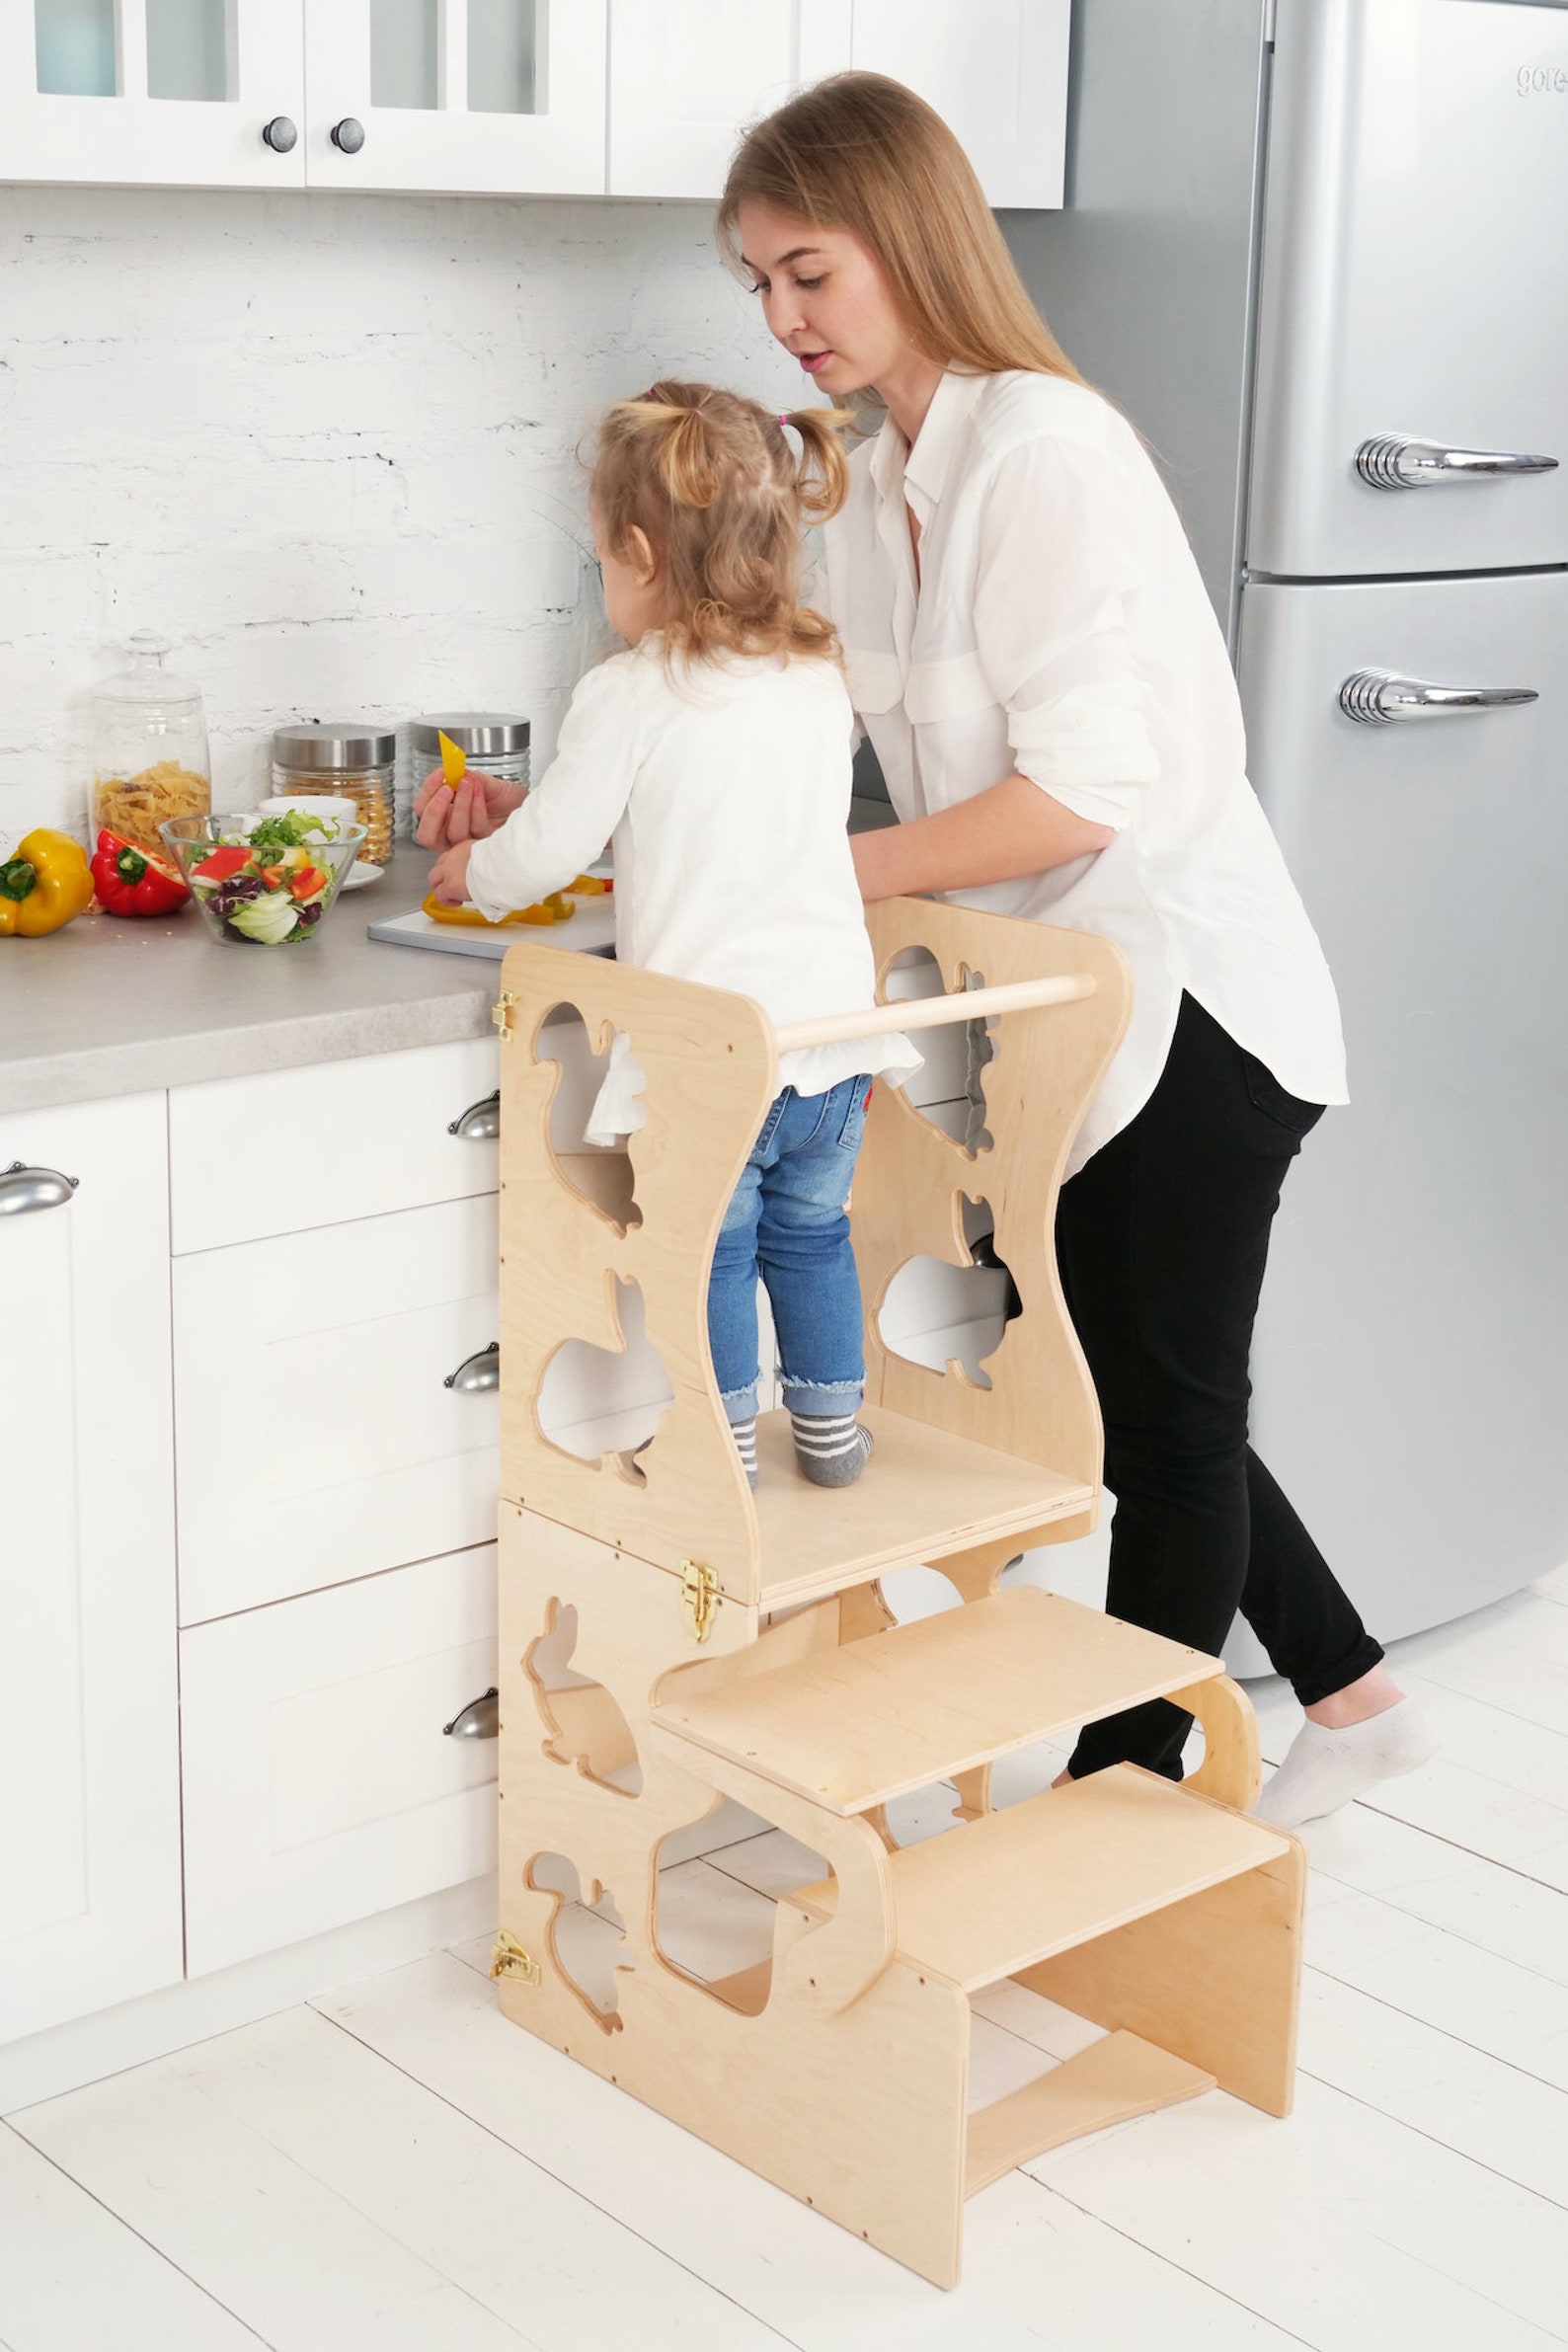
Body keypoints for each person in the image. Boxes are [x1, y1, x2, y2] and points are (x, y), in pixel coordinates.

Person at [718, 73, 1437, 1829]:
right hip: (1055, 1019)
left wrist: (828, 879)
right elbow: (855, 744)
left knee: (1161, 1424)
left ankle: (1124, 1811)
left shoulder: (1039, 452)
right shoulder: (884, 477)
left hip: (1185, 1005)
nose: (780, 318)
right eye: (756, 285)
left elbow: (1077, 801)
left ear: (902, 238)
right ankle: (1350, 1700)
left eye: (805, 272)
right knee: (1130, 1387)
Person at [419, 381, 918, 1491]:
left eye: (600, 559)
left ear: (639, 552)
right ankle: (832, 1436)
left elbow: (539, 863)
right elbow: (724, 828)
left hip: (712, 1066)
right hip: (833, 1047)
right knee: (810, 1238)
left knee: (714, 1253)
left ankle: (725, 1447)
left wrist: (471, 872)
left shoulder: (627, 690)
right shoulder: (813, 677)